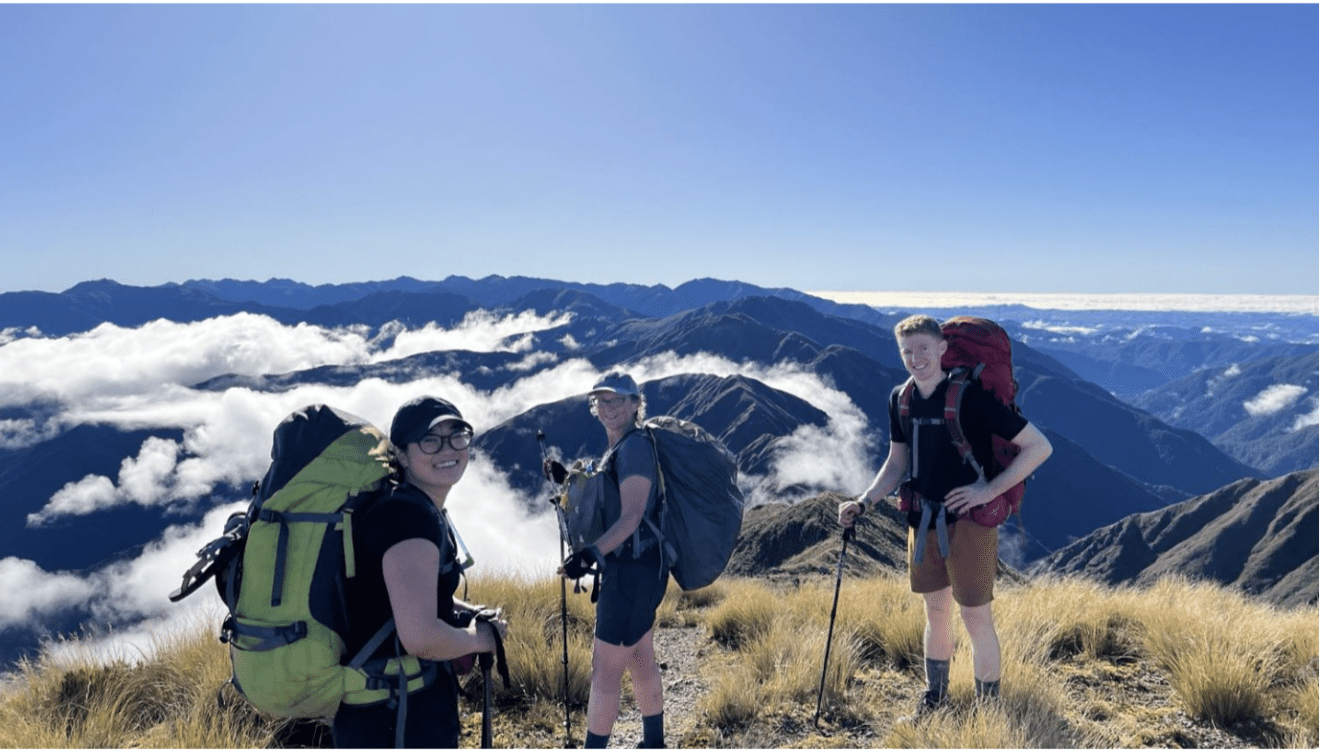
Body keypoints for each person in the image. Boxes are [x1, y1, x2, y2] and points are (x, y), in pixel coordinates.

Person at [838, 315, 1052, 717]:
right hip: (920, 522)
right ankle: (934, 700)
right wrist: (863, 502)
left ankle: (988, 713)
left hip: (968, 523)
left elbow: (1039, 447)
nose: (916, 358)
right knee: (935, 614)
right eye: (907, 351)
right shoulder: (900, 399)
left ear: (941, 349)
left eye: (923, 349)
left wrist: (988, 491)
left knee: (975, 619)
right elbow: (896, 462)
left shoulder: (969, 397)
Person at [333, 396, 508, 748]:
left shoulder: (402, 505)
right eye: (430, 440)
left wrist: (462, 611)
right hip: (398, 716)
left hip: (378, 707)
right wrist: (482, 639)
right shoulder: (408, 519)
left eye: (457, 435)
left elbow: (393, 597)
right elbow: (421, 637)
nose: (447, 449)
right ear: (400, 453)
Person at [545, 372, 669, 749]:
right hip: (642, 567)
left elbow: (632, 515)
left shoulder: (633, 448)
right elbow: (612, 497)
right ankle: (653, 742)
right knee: (639, 656)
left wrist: (591, 554)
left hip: (631, 572)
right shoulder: (624, 446)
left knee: (605, 672)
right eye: (601, 400)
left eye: (617, 400)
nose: (608, 407)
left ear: (635, 404)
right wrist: (567, 478)